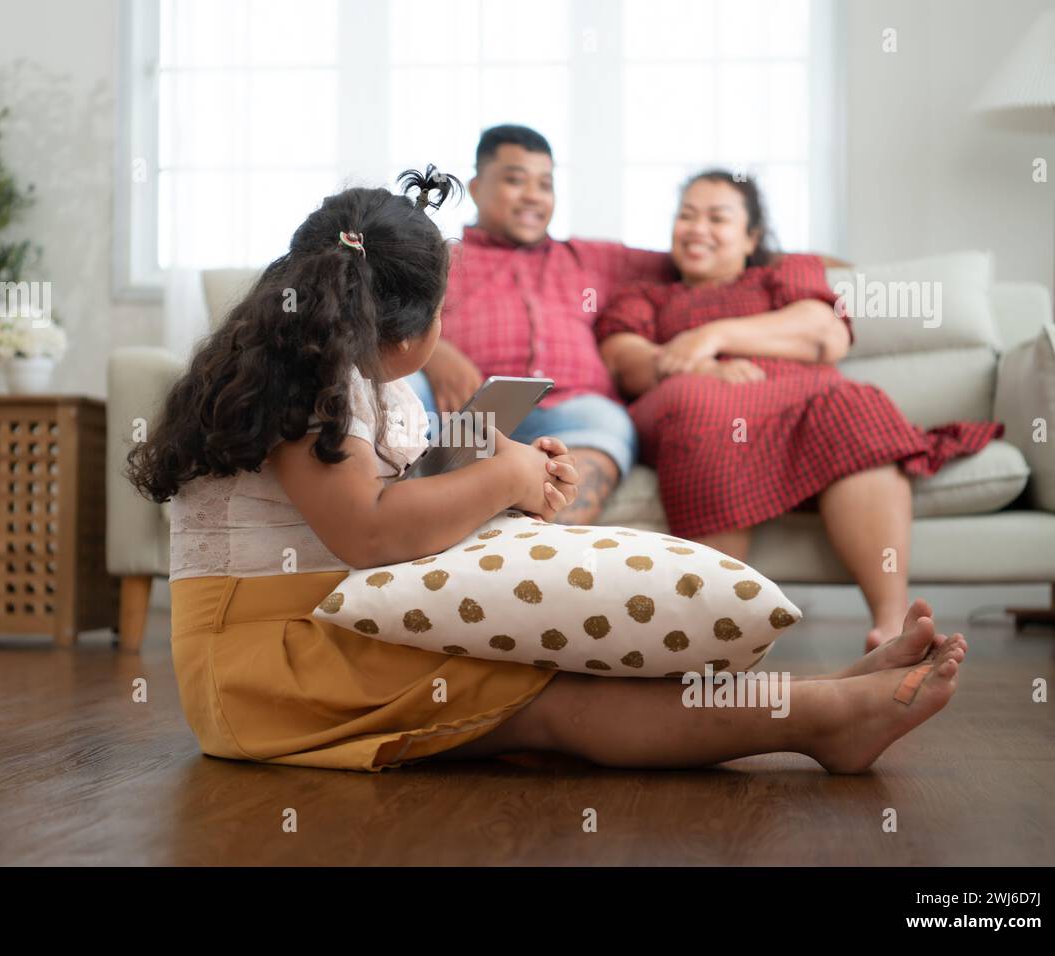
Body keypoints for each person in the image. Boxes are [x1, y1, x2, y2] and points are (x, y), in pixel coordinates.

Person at [127, 165, 968, 775]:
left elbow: (388, 505)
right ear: (409, 329)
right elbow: (369, 530)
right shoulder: (310, 385)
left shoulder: (327, 365)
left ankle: (815, 699)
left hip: (319, 625)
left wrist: (503, 471)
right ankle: (818, 718)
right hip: (265, 668)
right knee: (549, 700)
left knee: (545, 680)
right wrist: (503, 481)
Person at [596, 170, 1004, 650]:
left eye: (716, 217)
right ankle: (714, 635)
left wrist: (714, 335)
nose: (696, 228)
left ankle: (892, 628)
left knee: (854, 404)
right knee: (704, 407)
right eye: (686, 215)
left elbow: (824, 335)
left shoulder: (785, 272)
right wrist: (697, 367)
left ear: (751, 237)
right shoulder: (648, 294)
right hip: (696, 401)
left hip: (801, 401)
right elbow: (625, 361)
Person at [407, 125, 676, 525]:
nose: (533, 195)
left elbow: (697, 262)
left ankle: (543, 547)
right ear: (477, 188)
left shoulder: (592, 258)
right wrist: (434, 356)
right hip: (464, 411)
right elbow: (368, 311)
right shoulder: (437, 257)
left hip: (569, 410)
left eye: (545, 184)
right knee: (402, 387)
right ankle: (404, 514)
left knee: (605, 419)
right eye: (515, 180)